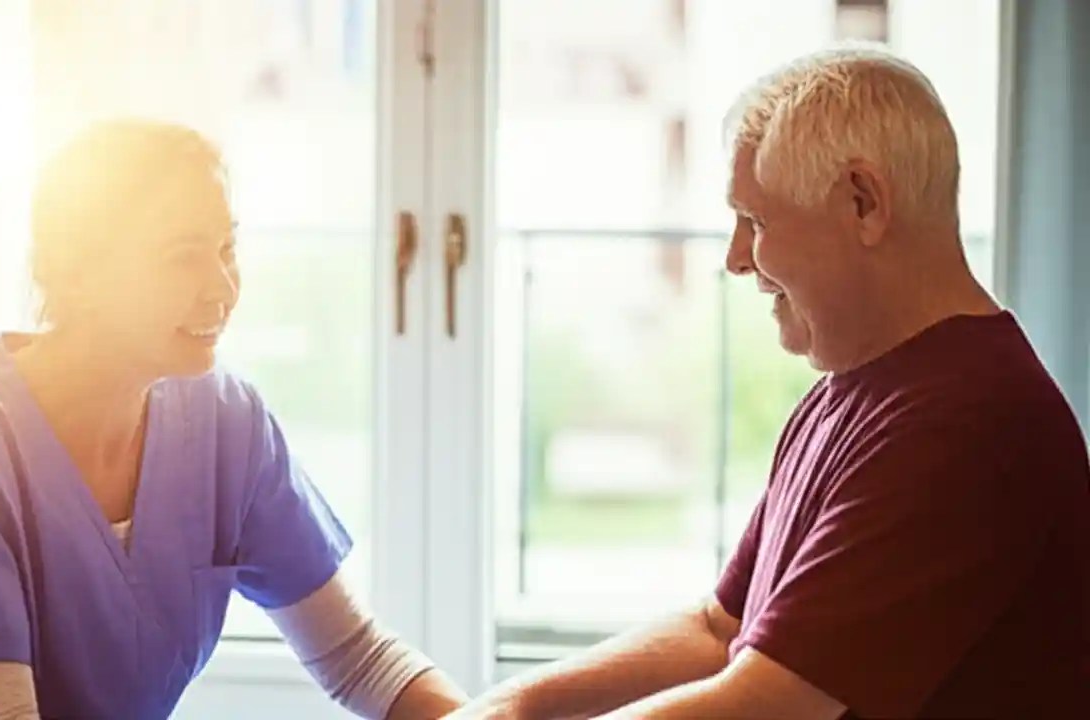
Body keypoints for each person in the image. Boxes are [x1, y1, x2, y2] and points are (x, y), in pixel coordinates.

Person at [449, 44, 1089, 720]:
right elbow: (719, 630)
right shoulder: (857, 389)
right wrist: (512, 704)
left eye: (754, 221)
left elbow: (765, 702)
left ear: (862, 202)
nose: (733, 259)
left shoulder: (971, 423)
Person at [0, 120, 467, 719]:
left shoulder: (226, 422)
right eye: (184, 258)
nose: (223, 288)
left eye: (228, 248)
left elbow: (360, 659)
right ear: (78, 274)